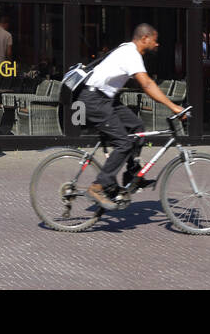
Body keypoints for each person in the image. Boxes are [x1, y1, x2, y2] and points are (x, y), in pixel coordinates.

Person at [75, 23, 184, 210]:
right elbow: (147, 85)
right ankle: (98, 186)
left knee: (137, 127)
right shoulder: (131, 54)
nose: (157, 44)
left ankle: (132, 176)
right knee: (124, 143)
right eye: (155, 40)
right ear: (144, 39)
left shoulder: (127, 49)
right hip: (94, 99)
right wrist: (173, 107)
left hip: (105, 98)